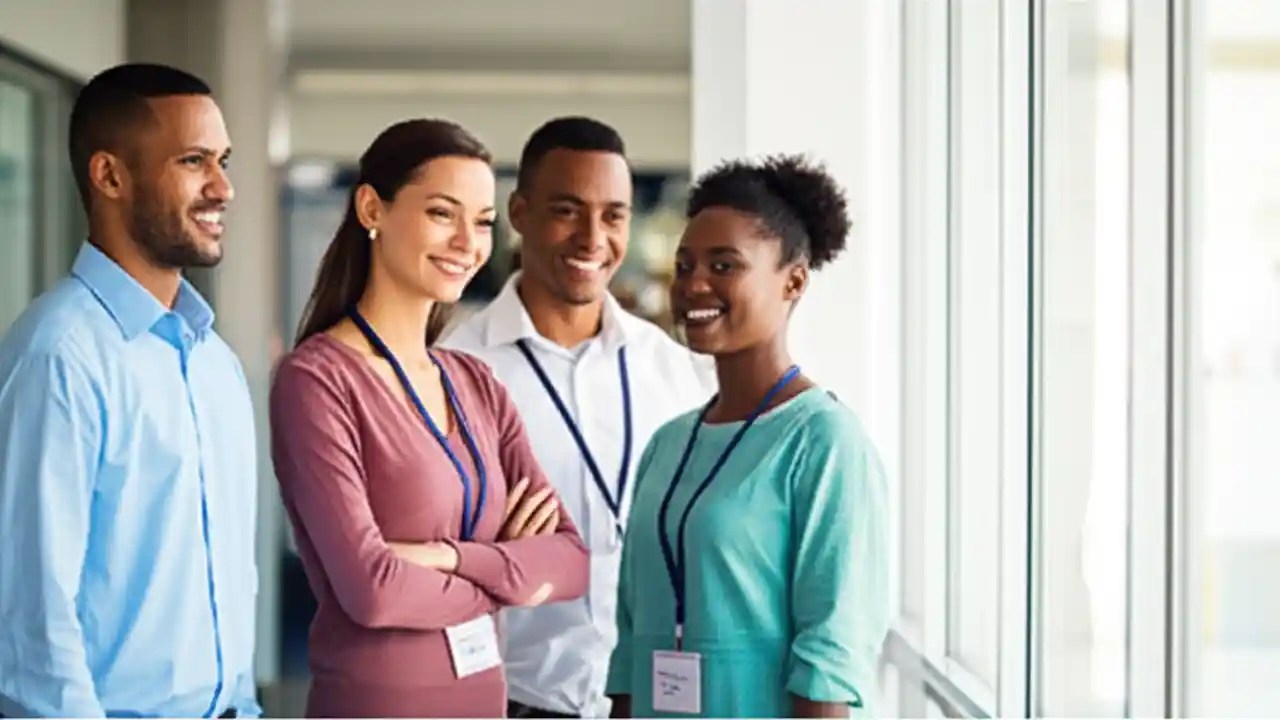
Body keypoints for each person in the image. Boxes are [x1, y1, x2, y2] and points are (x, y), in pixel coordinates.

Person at [268, 118, 590, 719]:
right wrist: (507, 573)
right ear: (372, 208)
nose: (469, 242)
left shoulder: (476, 385)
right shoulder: (316, 381)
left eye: (484, 222)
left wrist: (447, 558)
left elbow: (571, 561)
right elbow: (373, 591)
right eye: (444, 213)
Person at [0, 63, 260, 717]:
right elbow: (31, 620)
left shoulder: (215, 363)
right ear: (110, 176)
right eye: (194, 161)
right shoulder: (58, 356)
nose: (224, 188)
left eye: (222, 160)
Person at [440, 116, 712, 719]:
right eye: (568, 210)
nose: (593, 238)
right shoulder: (456, 371)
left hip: (653, 701)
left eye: (613, 214)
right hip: (517, 701)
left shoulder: (672, 369)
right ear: (520, 212)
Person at [606, 155, 890, 718]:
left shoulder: (825, 441)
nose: (694, 285)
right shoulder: (669, 442)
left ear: (794, 279)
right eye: (685, 265)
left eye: (724, 265)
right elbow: (633, 634)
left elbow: (830, 661)